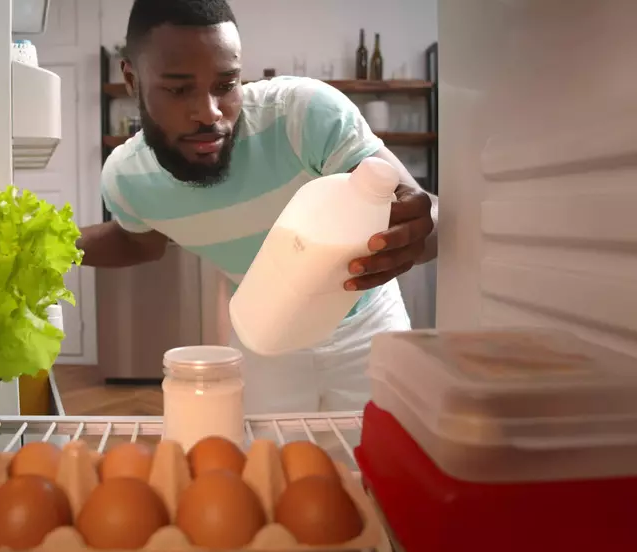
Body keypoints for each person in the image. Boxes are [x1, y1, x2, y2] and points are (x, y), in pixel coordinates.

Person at [78, 0, 438, 413]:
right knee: (273, 463)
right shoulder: (127, 178)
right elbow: (140, 243)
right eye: (179, 89)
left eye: (226, 84)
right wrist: (50, 246)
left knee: (383, 459)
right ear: (131, 78)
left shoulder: (304, 115)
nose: (209, 113)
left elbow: (418, 209)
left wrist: (416, 229)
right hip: (264, 330)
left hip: (368, 325)